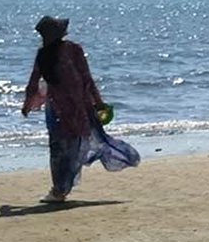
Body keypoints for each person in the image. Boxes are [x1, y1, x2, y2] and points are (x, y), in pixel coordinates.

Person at [21, 15, 140, 203]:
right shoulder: (69, 50)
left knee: (60, 148)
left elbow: (34, 83)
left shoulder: (48, 54)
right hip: (75, 106)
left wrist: (27, 104)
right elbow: (86, 78)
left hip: (61, 108)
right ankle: (60, 189)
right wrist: (98, 102)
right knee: (71, 146)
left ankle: (60, 189)